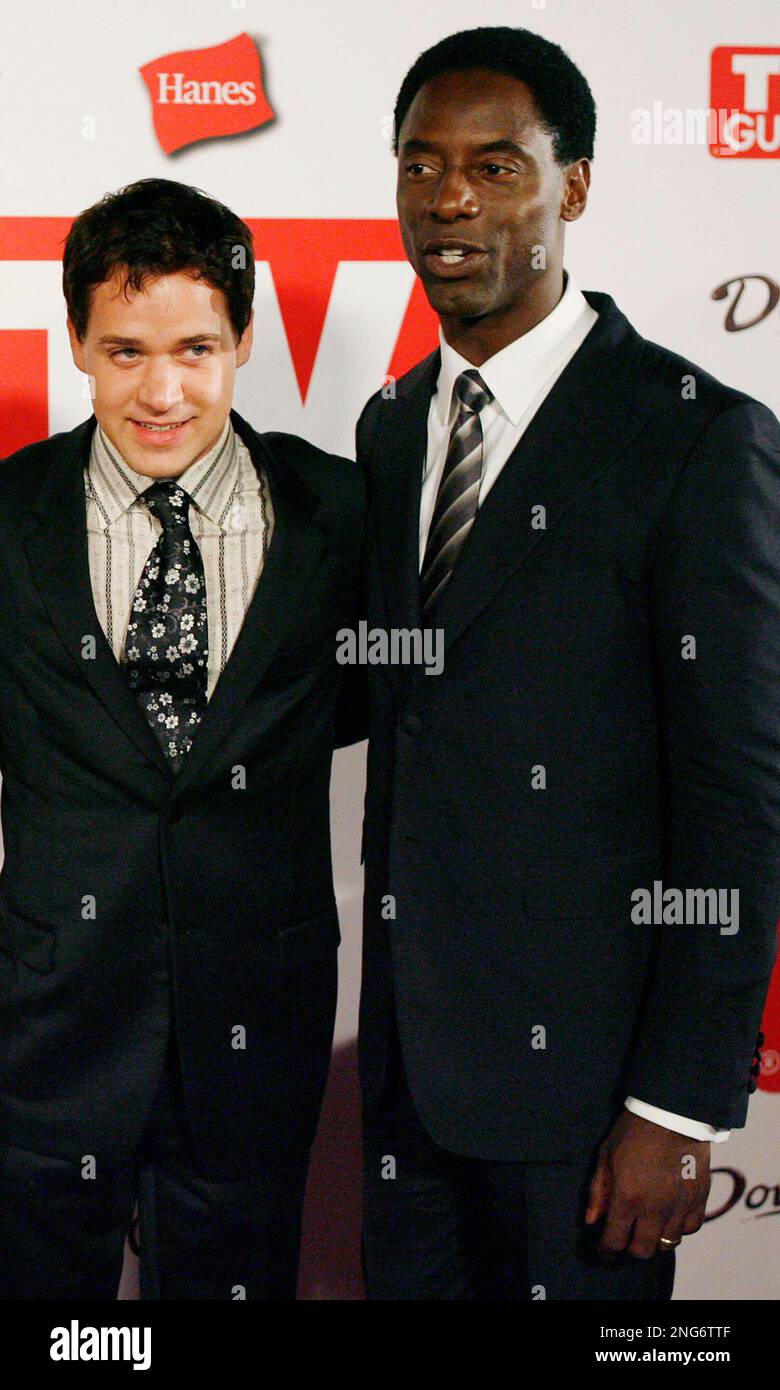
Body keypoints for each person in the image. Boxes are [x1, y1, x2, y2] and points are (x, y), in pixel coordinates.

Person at [356, 27, 780, 1300]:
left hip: (594, 1107)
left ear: (574, 187)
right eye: (422, 164)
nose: (450, 200)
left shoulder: (694, 436)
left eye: (496, 166)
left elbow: (740, 796)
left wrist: (679, 1101)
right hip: (407, 1086)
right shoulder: (389, 429)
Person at [0, 178, 364, 1299]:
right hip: (47, 1042)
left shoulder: (344, 515)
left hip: (258, 1034)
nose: (161, 392)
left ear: (246, 338)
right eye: (124, 352)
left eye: (197, 350)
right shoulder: (8, 517)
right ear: (74, 342)